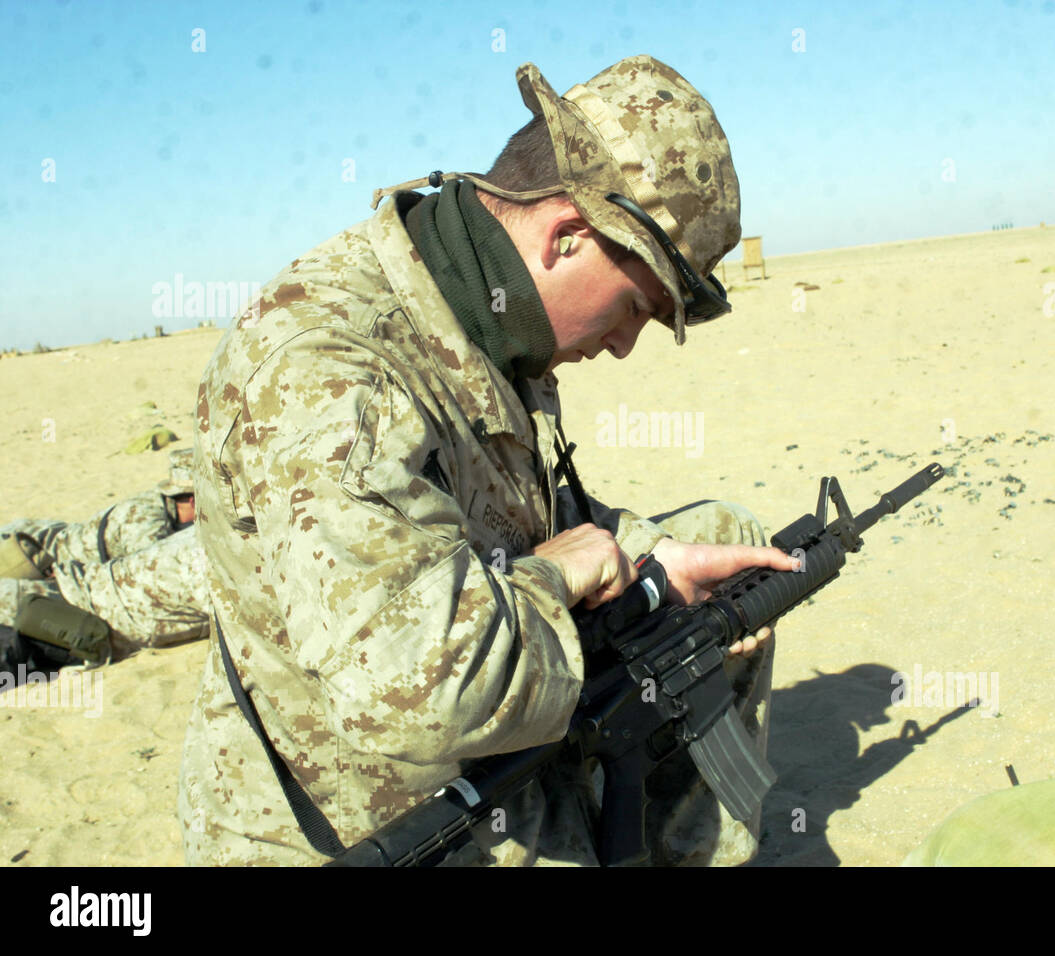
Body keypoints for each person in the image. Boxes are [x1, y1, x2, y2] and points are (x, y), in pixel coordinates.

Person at [178, 55, 800, 867]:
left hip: (482, 730)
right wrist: (560, 579)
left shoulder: (488, 318)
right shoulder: (328, 370)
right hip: (370, 814)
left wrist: (653, 560)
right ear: (567, 235)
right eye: (637, 308)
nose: (621, 346)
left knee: (723, 549)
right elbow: (418, 689)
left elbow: (531, 521)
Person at [0, 447, 209, 676]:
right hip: (58, 581)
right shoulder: (144, 520)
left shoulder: (162, 509)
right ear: (192, 499)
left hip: (70, 584)